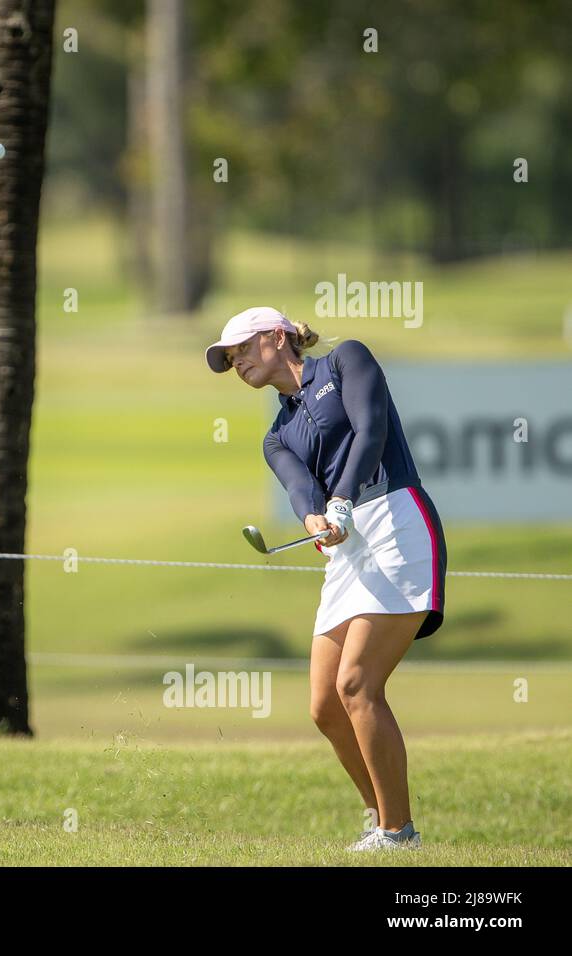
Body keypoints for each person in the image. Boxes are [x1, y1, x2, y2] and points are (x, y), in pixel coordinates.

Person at [205, 306, 447, 851]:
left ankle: (397, 832)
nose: (236, 362)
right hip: (348, 550)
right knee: (325, 705)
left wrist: (339, 500)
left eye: (241, 348)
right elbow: (298, 489)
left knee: (357, 684)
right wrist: (314, 516)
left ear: (276, 335)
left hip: (397, 523)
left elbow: (370, 428)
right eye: (229, 359)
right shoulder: (275, 436)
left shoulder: (346, 361)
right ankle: (382, 818)